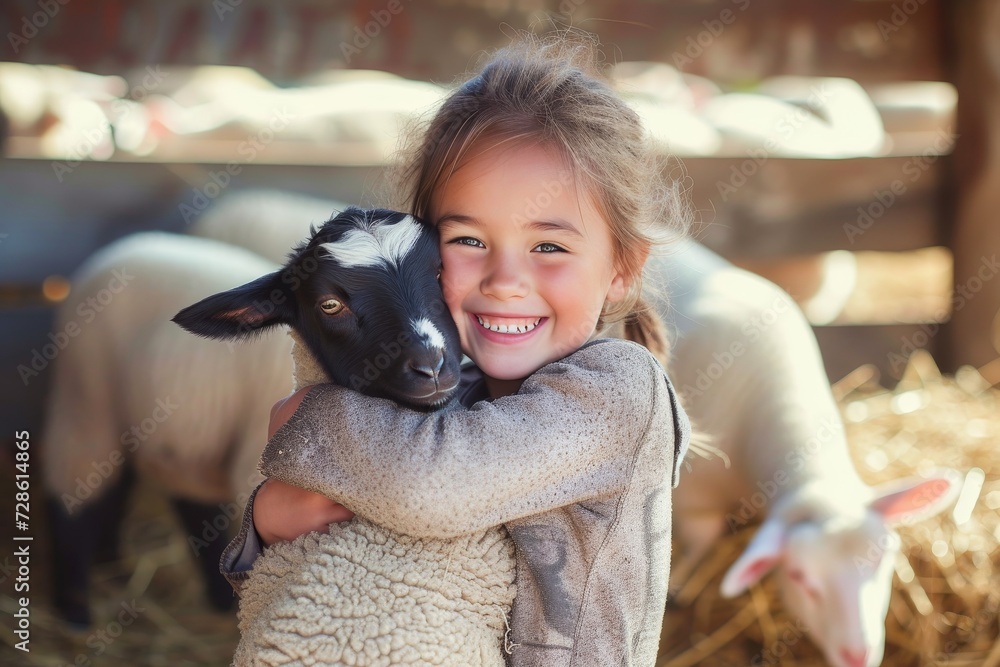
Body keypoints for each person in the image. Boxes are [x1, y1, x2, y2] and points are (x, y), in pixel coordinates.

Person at [222, 31, 692, 666]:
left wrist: (310, 418)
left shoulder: (617, 392)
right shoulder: (445, 386)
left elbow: (429, 490)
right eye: (468, 239)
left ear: (620, 270)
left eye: (549, 247)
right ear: (418, 254)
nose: (504, 281)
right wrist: (266, 524)